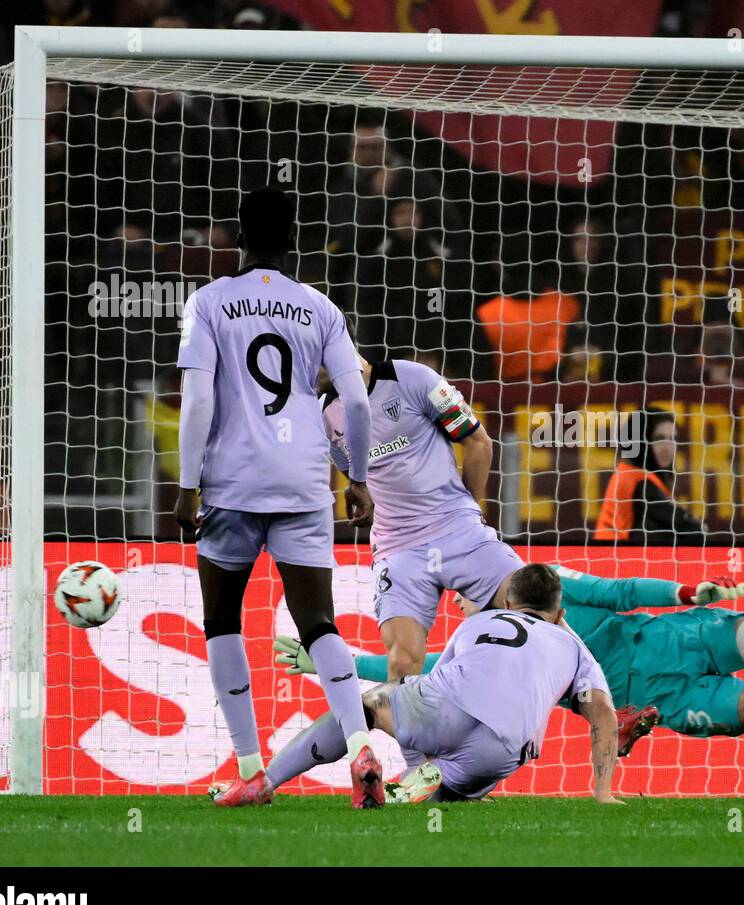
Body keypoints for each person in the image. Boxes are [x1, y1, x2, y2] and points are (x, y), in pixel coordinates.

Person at [271, 567, 744, 769]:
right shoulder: (486, 645)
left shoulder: (546, 581)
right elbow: (413, 671)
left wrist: (680, 594)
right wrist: (319, 659)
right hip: (673, 700)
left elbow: (617, 593)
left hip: (682, 639)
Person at [174, 187, 386, 809]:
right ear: (294, 241)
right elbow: (353, 399)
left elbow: (199, 400)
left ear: (238, 237)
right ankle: (360, 746)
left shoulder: (208, 301)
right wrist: (359, 478)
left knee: (222, 618)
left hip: (232, 481)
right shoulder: (318, 307)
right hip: (303, 479)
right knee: (318, 622)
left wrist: (189, 486)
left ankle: (248, 769)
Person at [267, 564, 622, 804]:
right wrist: (603, 793)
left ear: (509, 602)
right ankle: (423, 781)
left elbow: (434, 674)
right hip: (501, 747)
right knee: (458, 788)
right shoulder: (575, 648)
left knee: (367, 706)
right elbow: (604, 713)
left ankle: (266, 781)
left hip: (445, 705)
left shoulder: (480, 622)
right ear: (560, 614)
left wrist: (343, 665)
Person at [321, 353, 524, 680]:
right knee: (402, 665)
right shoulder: (324, 412)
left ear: (338, 346)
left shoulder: (414, 379)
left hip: (458, 528)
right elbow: (357, 476)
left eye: (311, 357)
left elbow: (478, 443)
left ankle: (598, 693)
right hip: (398, 550)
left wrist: (467, 511)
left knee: (537, 608)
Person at [594, 407, 706, 544]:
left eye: (673, 438)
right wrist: (699, 527)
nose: (667, 446)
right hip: (611, 560)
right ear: (641, 441)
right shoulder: (639, 482)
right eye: (659, 438)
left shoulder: (631, 473)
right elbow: (686, 528)